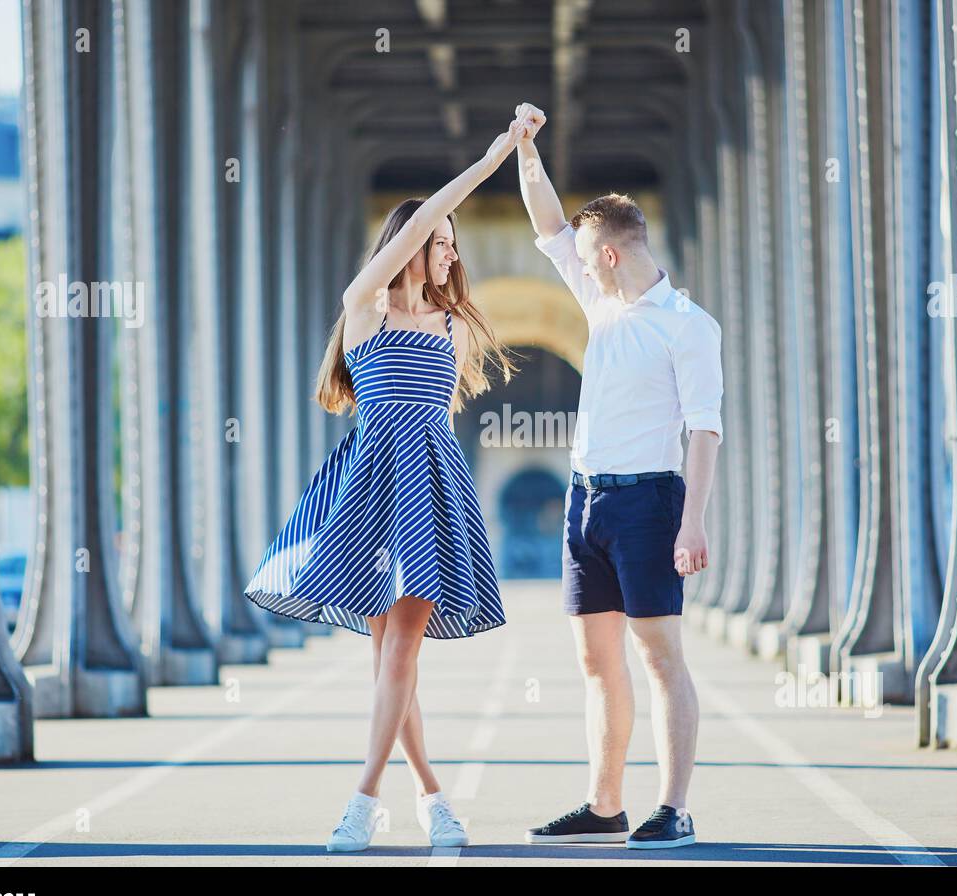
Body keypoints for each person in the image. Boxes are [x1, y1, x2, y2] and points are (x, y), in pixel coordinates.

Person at [244, 112, 532, 852]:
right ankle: (434, 799)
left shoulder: (454, 328)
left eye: (452, 247)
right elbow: (420, 223)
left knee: (400, 650)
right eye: (437, 243)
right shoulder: (365, 310)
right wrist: (492, 157)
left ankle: (364, 799)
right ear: (409, 245)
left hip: (429, 485)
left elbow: (435, 406)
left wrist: (502, 163)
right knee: (386, 660)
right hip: (371, 485)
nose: (446, 255)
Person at [513, 104, 723, 850]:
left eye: (586, 248)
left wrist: (693, 519)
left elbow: (704, 429)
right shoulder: (602, 303)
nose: (573, 255)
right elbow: (547, 229)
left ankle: (674, 807)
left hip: (649, 502)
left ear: (610, 253)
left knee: (660, 655)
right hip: (585, 501)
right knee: (596, 661)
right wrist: (527, 151)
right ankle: (605, 804)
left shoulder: (689, 327)